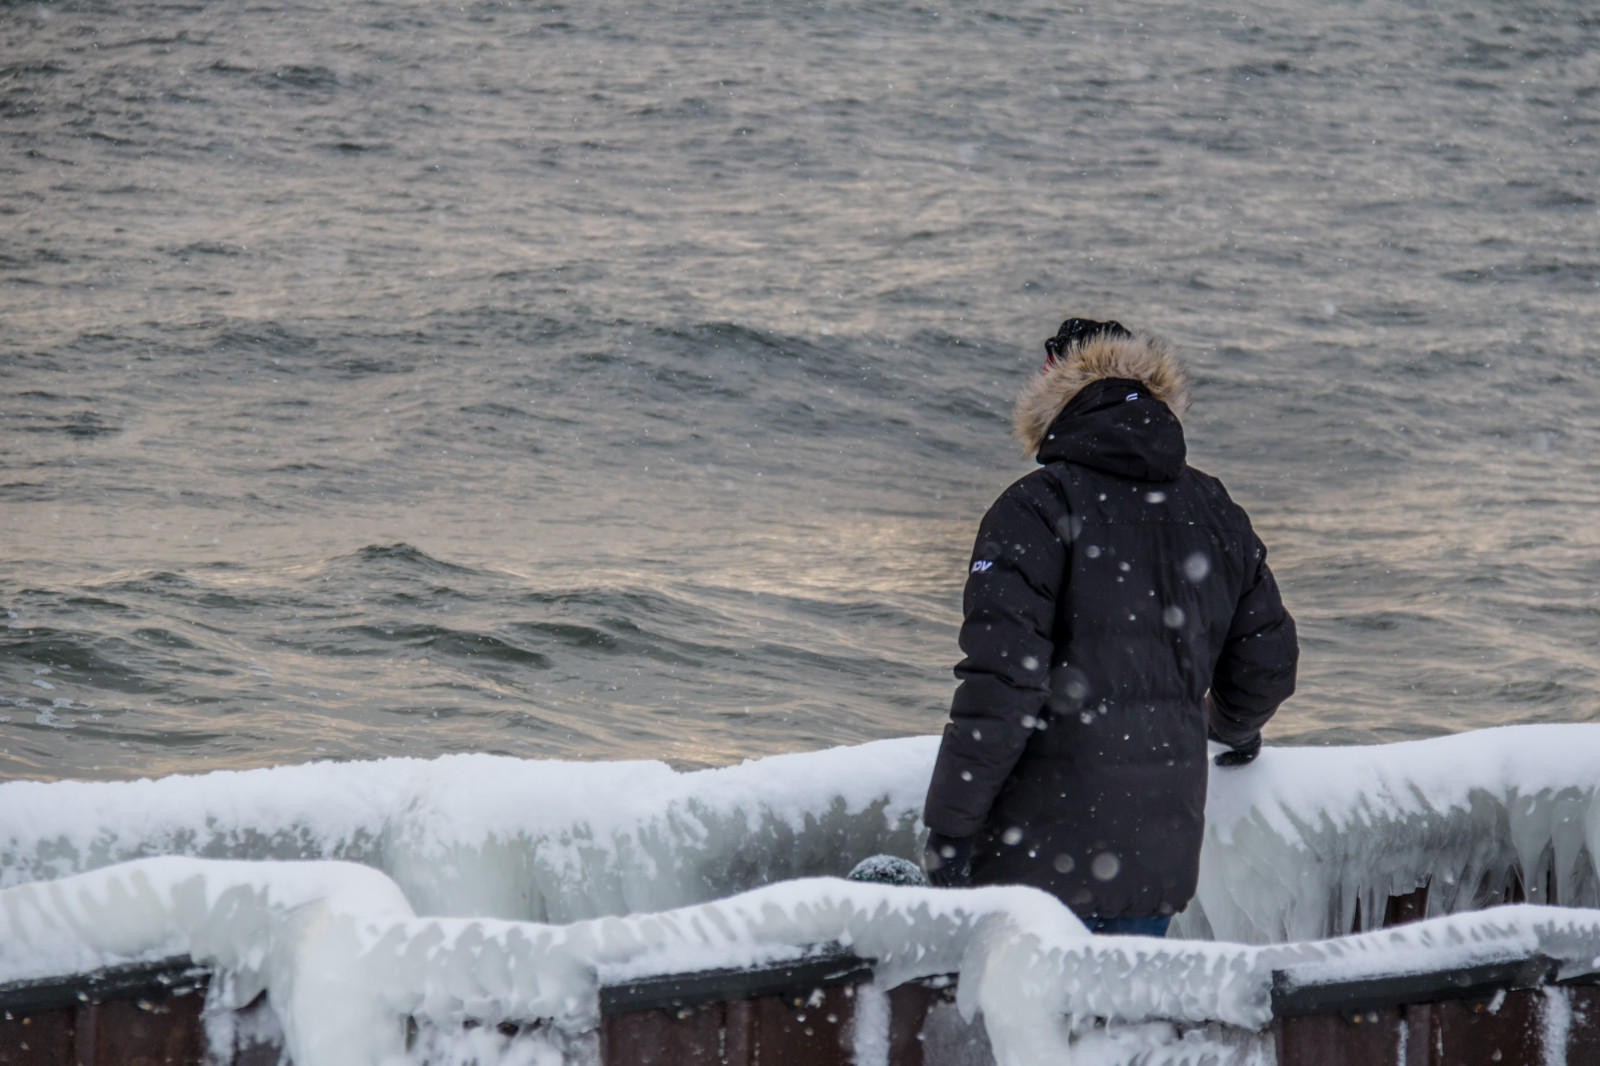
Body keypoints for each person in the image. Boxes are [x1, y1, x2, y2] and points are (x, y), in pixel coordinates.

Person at [920, 317, 1298, 937]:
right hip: (1155, 865)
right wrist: (1229, 728)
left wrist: (951, 830)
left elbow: (1001, 687)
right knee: (1120, 1034)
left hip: (1033, 864)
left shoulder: (1035, 508)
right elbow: (1267, 668)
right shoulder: (1216, 510)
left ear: (1052, 387)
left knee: (1033, 1031)